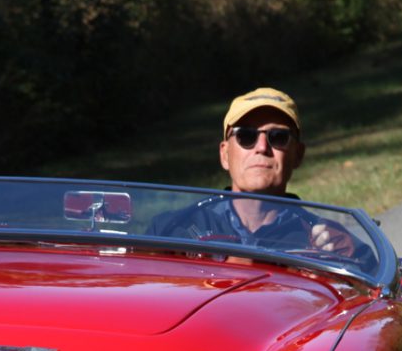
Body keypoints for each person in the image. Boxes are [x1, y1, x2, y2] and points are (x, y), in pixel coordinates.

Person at [148, 87, 359, 258]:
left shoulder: (327, 241)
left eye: (278, 137)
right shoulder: (171, 230)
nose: (262, 147)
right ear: (225, 154)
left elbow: (372, 283)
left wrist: (352, 257)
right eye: (246, 136)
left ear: (298, 154)